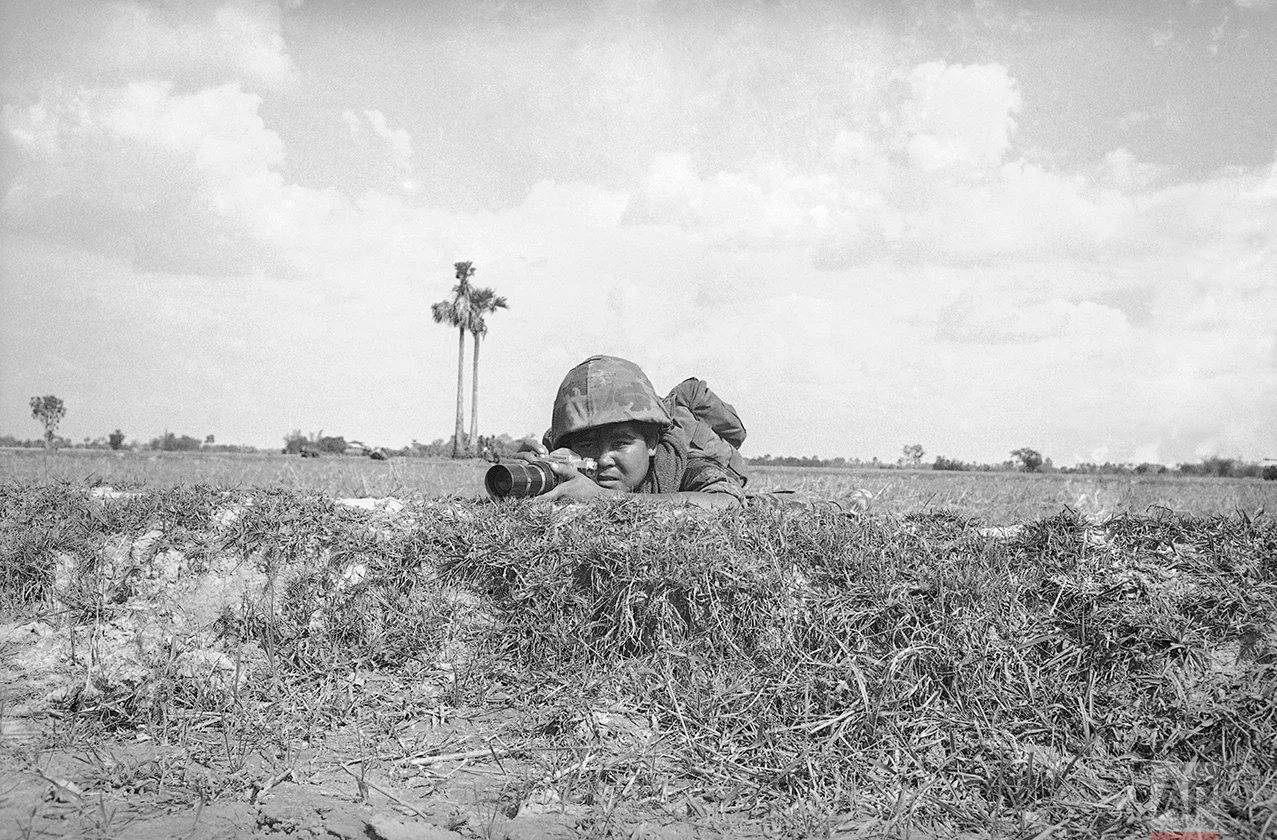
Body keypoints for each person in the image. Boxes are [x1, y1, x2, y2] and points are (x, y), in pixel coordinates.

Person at [515, 355, 746, 509]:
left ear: (652, 442)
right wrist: (525, 478)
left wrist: (603, 497)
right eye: (587, 446)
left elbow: (728, 502)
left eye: (620, 443)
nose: (604, 459)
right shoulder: (565, 457)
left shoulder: (681, 460)